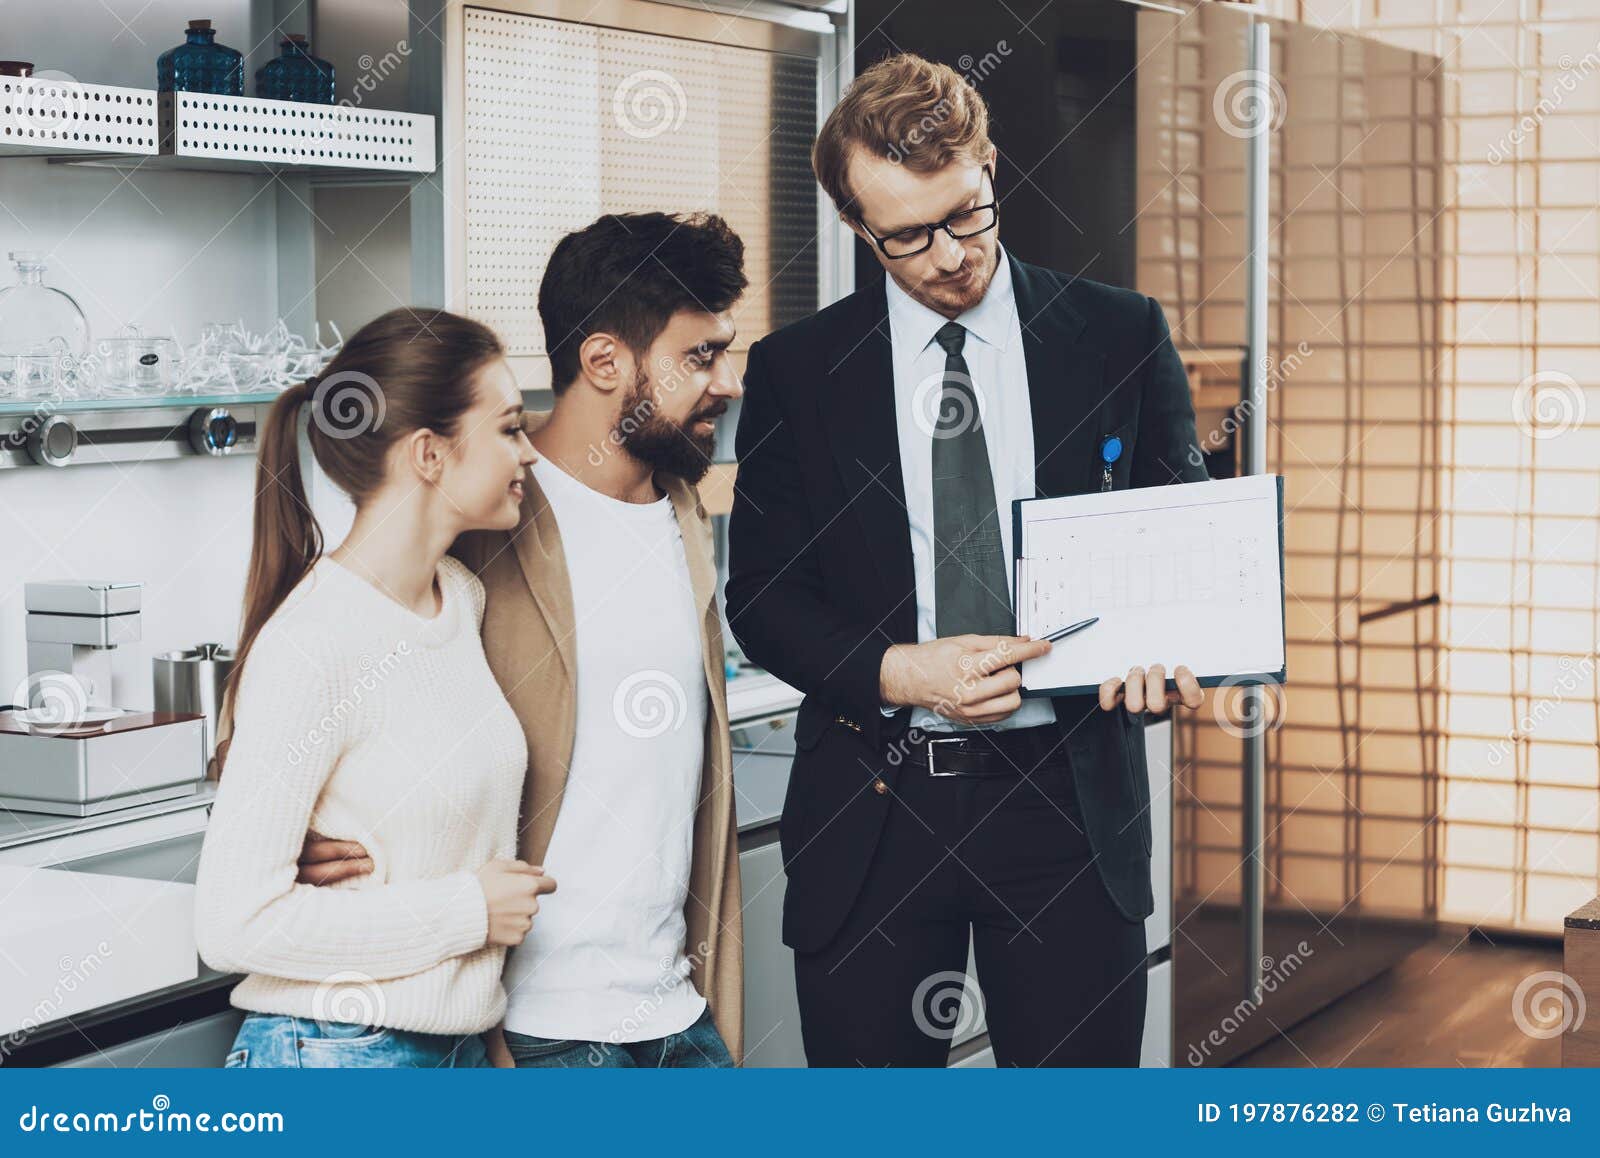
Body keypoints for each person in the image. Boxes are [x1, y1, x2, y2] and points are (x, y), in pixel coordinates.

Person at [725, 53, 1206, 1068]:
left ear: (988, 167)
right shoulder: (797, 373)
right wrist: (905, 672)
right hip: (874, 811)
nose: (951, 255)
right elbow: (763, 596)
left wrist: (1167, 652)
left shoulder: (1118, 333)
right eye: (908, 236)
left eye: (969, 213)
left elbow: (1183, 536)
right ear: (859, 228)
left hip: (1067, 808)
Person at [298, 211, 749, 1068]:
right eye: (700, 355)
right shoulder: (483, 517)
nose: (724, 382)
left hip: (677, 1019)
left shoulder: (685, 512)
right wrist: (305, 825)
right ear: (605, 361)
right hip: (534, 1028)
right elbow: (310, 661)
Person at [195, 308, 556, 1068]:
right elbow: (233, 924)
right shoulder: (313, 640)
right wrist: (467, 911)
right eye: (509, 428)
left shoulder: (459, 598)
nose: (530, 452)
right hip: (333, 1057)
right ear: (429, 453)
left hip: (445, 1055)